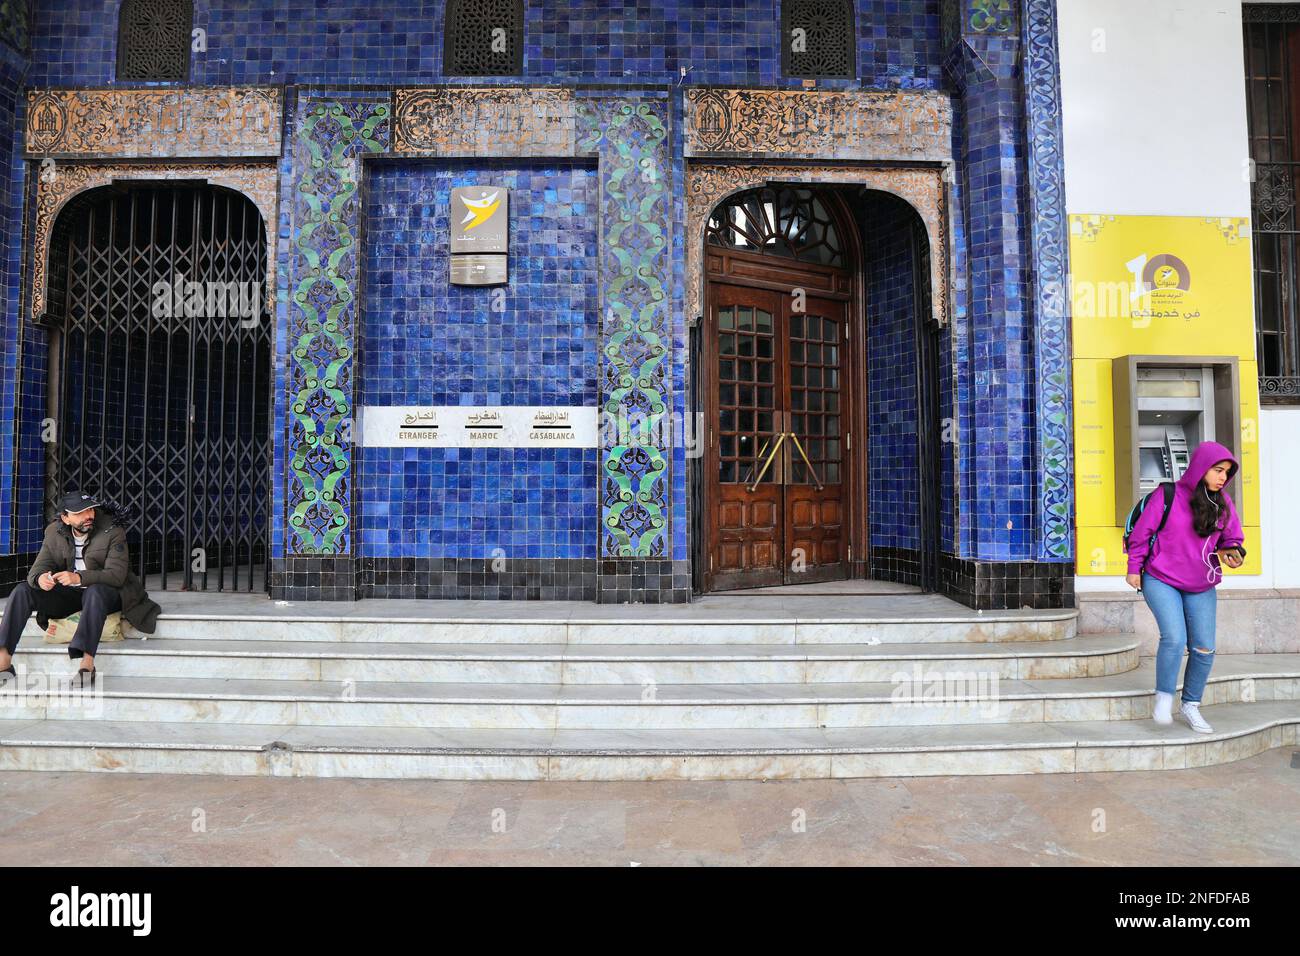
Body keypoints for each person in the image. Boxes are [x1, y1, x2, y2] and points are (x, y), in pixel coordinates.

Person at [1125, 441, 1246, 733]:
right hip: (1161, 577)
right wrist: (1133, 569)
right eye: (1217, 470)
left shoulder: (1223, 503)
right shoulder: (1167, 495)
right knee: (1175, 638)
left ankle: (1191, 704)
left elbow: (1232, 538)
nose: (1222, 477)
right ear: (1200, 467)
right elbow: (1142, 534)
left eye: (1226, 473)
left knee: (1204, 647)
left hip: (1201, 581)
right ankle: (1164, 697)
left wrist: (1233, 552)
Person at [0, 492, 160, 688]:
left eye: (90, 509)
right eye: (80, 512)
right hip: (73, 594)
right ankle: (4, 662)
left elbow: (117, 575)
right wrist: (41, 579)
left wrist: (79, 577)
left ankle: (87, 664)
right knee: (22, 591)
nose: (89, 515)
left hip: (111, 592)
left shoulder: (113, 530)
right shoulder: (54, 532)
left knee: (94, 592)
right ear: (65, 518)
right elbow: (37, 570)